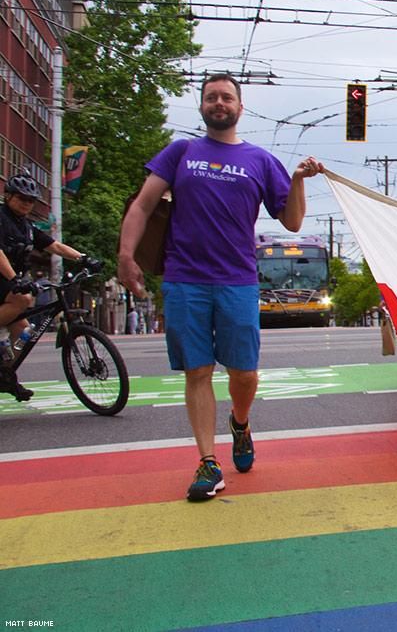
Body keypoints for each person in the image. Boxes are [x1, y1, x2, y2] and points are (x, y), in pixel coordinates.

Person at [118, 73, 326, 500]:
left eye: (226, 97)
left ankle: (241, 422)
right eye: (211, 96)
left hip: (237, 281)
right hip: (184, 279)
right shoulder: (181, 152)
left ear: (239, 107)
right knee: (197, 371)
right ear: (202, 106)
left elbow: (291, 221)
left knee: (244, 374)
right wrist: (126, 256)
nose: (218, 102)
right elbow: (142, 204)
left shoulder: (260, 161)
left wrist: (299, 179)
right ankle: (207, 462)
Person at [0, 174, 100, 401]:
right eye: (22, 198)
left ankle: (5, 374)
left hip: (9, 282)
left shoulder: (27, 227)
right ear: (8, 197)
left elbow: (54, 245)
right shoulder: (1, 218)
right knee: (23, 300)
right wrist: (16, 279)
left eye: (31, 200)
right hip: (5, 279)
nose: (27, 203)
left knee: (25, 333)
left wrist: (83, 258)